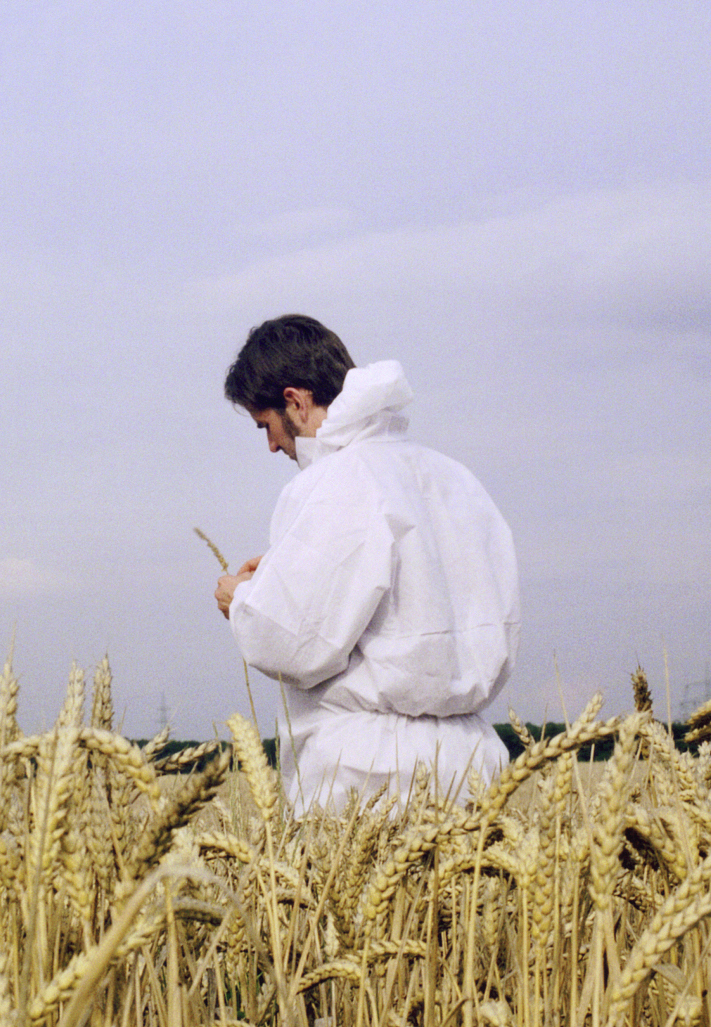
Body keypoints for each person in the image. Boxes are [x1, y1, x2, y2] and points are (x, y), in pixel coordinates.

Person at [213, 315, 519, 813]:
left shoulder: (333, 480)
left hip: (369, 779)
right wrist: (282, 569)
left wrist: (242, 598)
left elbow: (293, 643)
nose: (271, 445)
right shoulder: (452, 478)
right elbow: (415, 590)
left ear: (295, 400)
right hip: (473, 771)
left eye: (265, 425)